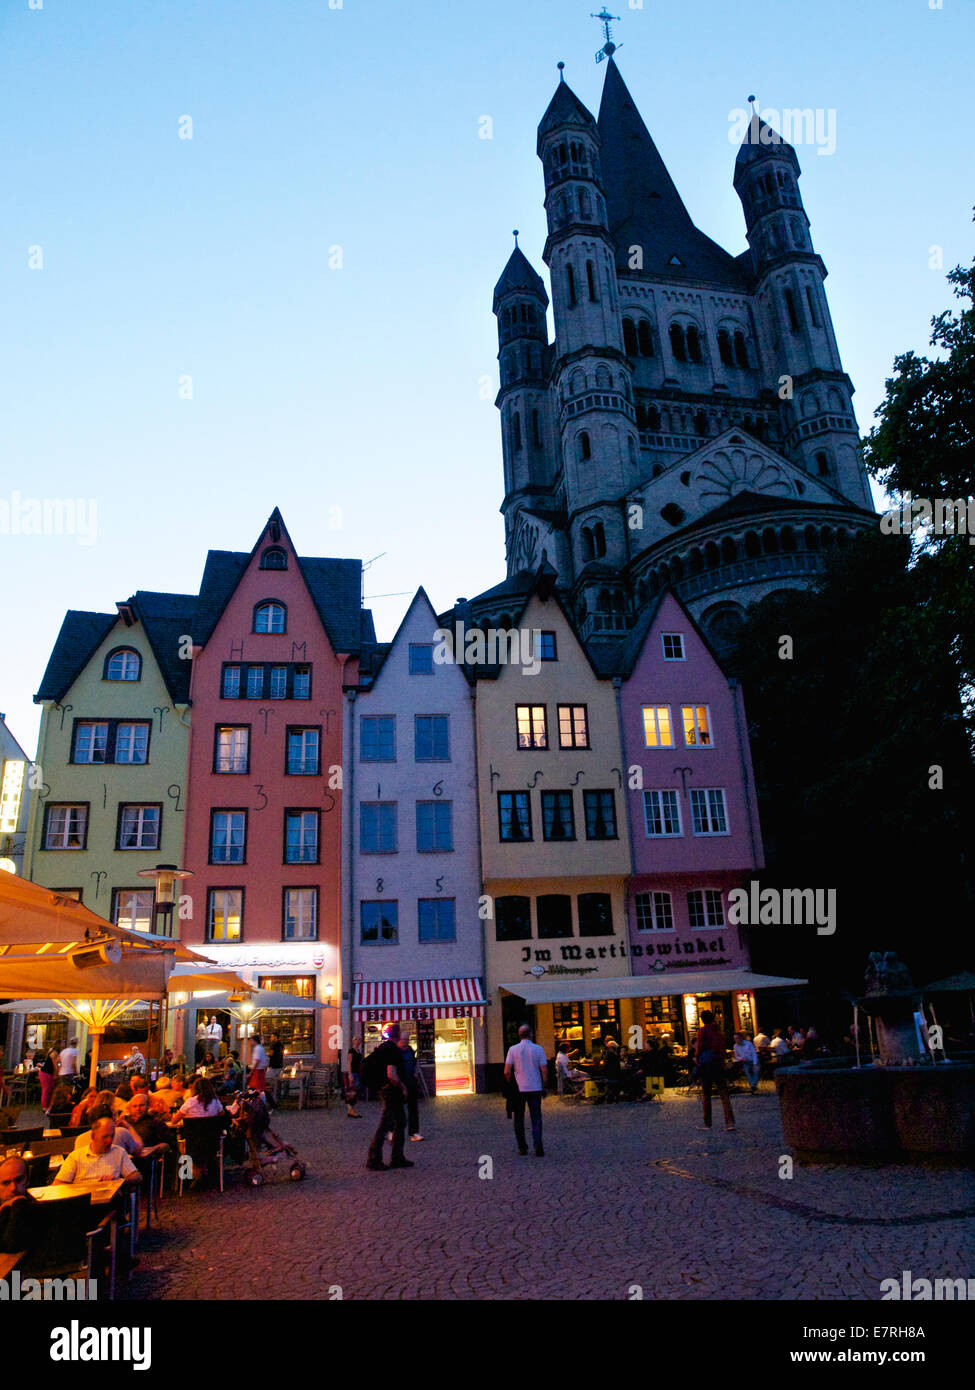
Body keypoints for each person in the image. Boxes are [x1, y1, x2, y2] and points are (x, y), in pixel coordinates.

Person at [366, 1023, 413, 1172]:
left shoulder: (384, 1047)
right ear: (398, 1035)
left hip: (386, 1089)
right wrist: (403, 1087)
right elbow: (391, 1074)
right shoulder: (392, 1050)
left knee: (400, 1121)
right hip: (391, 1091)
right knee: (386, 1124)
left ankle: (397, 1157)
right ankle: (374, 1159)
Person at [56, 1116, 141, 1188]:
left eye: (112, 1136)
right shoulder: (76, 1156)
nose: (109, 1140)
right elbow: (58, 1184)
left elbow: (137, 1177)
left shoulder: (119, 1152)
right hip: (83, 1202)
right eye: (105, 1137)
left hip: (109, 1203)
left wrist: (118, 1181)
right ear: (93, 1136)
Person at [503, 1023, 549, 1157]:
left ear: (519, 1035)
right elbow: (544, 1069)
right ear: (531, 1034)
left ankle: (522, 1147)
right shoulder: (538, 1049)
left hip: (519, 1089)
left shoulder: (513, 1049)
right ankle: (538, 1144)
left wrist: (510, 1083)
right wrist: (544, 1085)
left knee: (519, 1119)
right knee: (536, 1117)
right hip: (535, 1087)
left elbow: (506, 1071)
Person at [694, 1009, 735, 1131]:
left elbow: (700, 1046)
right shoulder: (718, 1031)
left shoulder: (702, 1031)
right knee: (724, 1093)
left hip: (707, 1066)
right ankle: (730, 1122)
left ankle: (707, 1123)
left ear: (702, 1019)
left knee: (706, 1094)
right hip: (718, 1064)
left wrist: (696, 1058)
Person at [0, 1156, 40, 1256]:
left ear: (27, 1179)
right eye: (6, 1183)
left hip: (18, 1269)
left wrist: (18, 1203)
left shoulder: (30, 1208)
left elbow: (11, 1246)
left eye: (19, 1180)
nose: (13, 1188)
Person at [397, 1033, 423, 1141]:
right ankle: (393, 1131)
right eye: (403, 1039)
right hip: (399, 1083)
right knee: (397, 1108)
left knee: (413, 1108)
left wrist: (416, 1073)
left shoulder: (411, 1050)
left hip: (411, 1081)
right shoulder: (396, 1052)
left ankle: (414, 1132)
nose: (405, 1041)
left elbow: (415, 1062)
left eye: (407, 1039)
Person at [344, 1037, 363, 1119]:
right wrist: (350, 1074)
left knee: (354, 1092)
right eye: (356, 1040)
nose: (357, 1042)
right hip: (353, 1073)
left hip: (358, 1073)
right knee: (352, 1092)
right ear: (353, 1042)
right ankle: (351, 1111)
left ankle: (350, 1110)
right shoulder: (351, 1051)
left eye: (359, 1040)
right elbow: (349, 1063)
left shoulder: (358, 1051)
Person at [600, 1037, 622, 1103]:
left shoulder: (608, 1054)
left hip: (609, 1075)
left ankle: (609, 1097)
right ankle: (615, 1097)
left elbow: (605, 1065)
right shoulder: (615, 1055)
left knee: (609, 1086)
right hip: (615, 1075)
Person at [38, 1047, 58, 1114]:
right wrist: (56, 1074)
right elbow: (55, 1066)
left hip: (45, 1072)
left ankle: (46, 1107)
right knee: (47, 1090)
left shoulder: (52, 1052)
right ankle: (45, 1107)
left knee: (48, 1090)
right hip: (46, 1073)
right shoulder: (54, 1053)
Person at [266, 1034, 284, 1102]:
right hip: (280, 1064)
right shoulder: (281, 1044)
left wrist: (266, 1054)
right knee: (278, 1082)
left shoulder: (273, 1044)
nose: (270, 1038)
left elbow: (271, 1053)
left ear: (275, 1037)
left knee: (267, 1080)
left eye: (272, 1036)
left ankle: (270, 1098)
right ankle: (277, 1097)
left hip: (273, 1065)